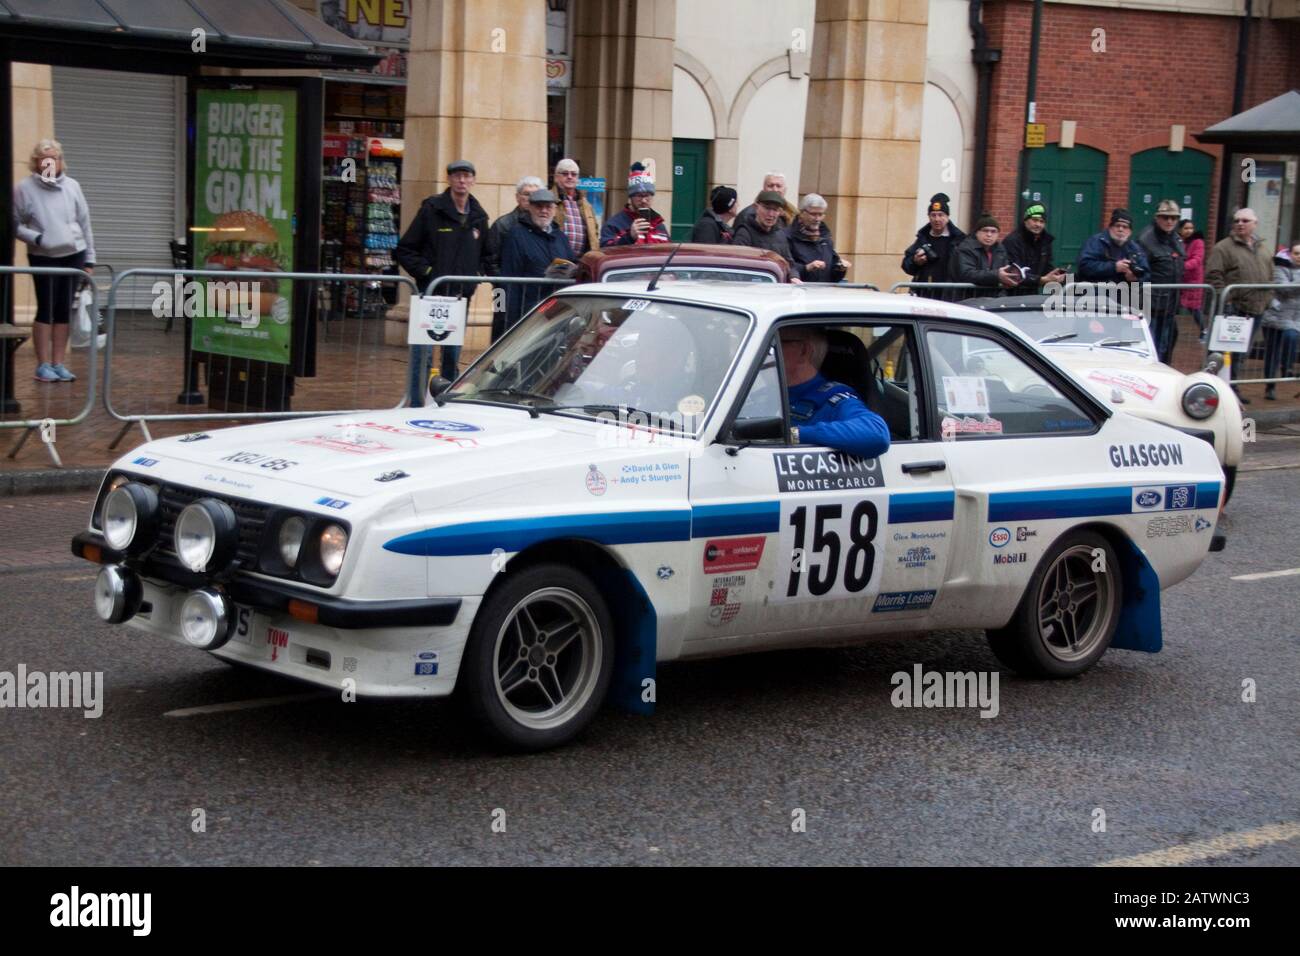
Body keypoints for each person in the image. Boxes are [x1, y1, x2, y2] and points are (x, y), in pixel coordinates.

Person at [396, 159, 489, 402]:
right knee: (424, 353)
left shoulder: (479, 216)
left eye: (467, 176)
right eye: (457, 175)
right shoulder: (431, 209)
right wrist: (427, 272)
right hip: (431, 294)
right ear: (449, 179)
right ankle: (416, 401)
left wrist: (476, 275)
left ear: (473, 180)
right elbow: (405, 249)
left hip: (460, 297)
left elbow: (487, 253)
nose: (462, 181)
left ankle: (446, 403)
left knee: (452, 355)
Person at [12, 138, 96, 383]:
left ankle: (59, 362)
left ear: (61, 161)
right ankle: (42, 364)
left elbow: (85, 223)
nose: (51, 163)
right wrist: (36, 238)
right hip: (43, 255)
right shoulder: (24, 189)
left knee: (63, 309)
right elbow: (13, 223)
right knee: (45, 308)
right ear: (37, 162)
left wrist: (89, 258)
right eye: (45, 159)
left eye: (55, 158)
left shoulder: (72, 186)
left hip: (73, 253)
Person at [780, 326, 890, 458]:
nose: (768, 352)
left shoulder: (835, 399)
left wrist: (793, 434)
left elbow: (877, 433)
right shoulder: (766, 395)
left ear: (804, 351)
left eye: (776, 344)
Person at [1206, 207, 1274, 403]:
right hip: (1234, 309)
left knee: (1242, 352)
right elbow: (1213, 275)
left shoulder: (1262, 248)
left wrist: (1268, 298)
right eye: (1236, 221)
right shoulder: (1223, 247)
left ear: (1255, 224)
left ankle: (1233, 387)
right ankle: (1219, 389)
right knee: (1225, 352)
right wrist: (1225, 298)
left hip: (1257, 308)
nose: (1240, 224)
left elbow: (1270, 275)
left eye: (1245, 221)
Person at [500, 189, 575, 332]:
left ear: (554, 210)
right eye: (539, 206)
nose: (544, 211)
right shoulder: (516, 235)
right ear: (530, 208)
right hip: (528, 311)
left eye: (548, 207)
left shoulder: (561, 237)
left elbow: (571, 263)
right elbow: (509, 279)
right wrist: (508, 317)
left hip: (557, 311)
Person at [485, 175, 543, 341]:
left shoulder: (542, 225)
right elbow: (490, 259)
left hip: (530, 290)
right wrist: (502, 282)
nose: (530, 198)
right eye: (526, 194)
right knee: (500, 323)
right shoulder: (502, 224)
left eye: (534, 194)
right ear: (518, 197)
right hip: (501, 290)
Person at [1136, 199, 1186, 363]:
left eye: (1174, 218)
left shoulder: (1176, 240)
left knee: (1166, 345)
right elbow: (1141, 272)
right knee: (1152, 347)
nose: (1170, 221)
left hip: (1170, 304)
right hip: (1152, 305)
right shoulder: (1146, 239)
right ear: (1157, 218)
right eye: (1165, 217)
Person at [901, 193, 967, 300]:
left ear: (947, 217)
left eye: (941, 215)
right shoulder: (923, 238)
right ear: (929, 217)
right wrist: (915, 261)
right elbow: (906, 265)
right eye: (933, 215)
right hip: (924, 295)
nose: (937, 219)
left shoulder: (959, 240)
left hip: (950, 296)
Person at [1260, 240, 1300, 400]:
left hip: (1294, 317)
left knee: (1292, 336)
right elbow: (1283, 288)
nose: (1299, 257)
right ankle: (1270, 386)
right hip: (1276, 315)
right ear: (1290, 254)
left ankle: (1287, 366)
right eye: (1296, 253)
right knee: (1272, 353)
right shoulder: (1280, 266)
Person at [1000, 202, 1065, 296]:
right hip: (1012, 295)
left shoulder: (1045, 242)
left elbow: (1047, 266)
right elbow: (1014, 272)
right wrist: (1041, 280)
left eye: (1041, 221)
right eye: (1034, 220)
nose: (1038, 224)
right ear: (1025, 221)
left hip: (1032, 294)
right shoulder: (1012, 241)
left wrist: (1056, 275)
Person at [733, 190, 800, 278]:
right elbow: (738, 266)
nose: (771, 214)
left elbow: (789, 264)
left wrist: (794, 277)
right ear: (756, 207)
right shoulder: (744, 233)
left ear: (780, 212)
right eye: (767, 208)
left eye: (775, 210)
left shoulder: (780, 235)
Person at [600, 162, 670, 246]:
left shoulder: (659, 225)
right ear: (630, 197)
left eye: (647, 196)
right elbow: (605, 252)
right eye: (639, 196)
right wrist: (629, 237)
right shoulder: (614, 225)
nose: (644, 200)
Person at [1077, 209, 1150, 289]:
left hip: (1123, 296)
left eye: (1125, 227)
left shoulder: (1134, 248)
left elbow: (1146, 273)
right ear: (1110, 227)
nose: (1120, 229)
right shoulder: (1096, 242)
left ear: (1130, 231)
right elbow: (1084, 266)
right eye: (1117, 225)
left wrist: (1136, 278)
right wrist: (1114, 267)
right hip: (1096, 295)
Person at [951, 213, 1019, 298]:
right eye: (985, 231)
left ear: (998, 234)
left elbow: (1004, 272)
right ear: (977, 233)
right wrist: (997, 275)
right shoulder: (966, 248)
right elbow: (967, 274)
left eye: (993, 231)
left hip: (993, 299)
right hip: (968, 298)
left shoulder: (1000, 250)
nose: (989, 235)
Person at [785, 193, 848, 283]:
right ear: (802, 214)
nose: (817, 219)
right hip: (799, 292)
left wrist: (840, 268)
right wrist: (806, 268)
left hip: (823, 294)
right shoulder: (788, 236)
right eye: (813, 214)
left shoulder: (826, 238)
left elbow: (833, 277)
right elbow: (785, 266)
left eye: (820, 214)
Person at [551, 158, 599, 257]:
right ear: (556, 177)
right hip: (556, 260)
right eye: (565, 173)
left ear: (577, 179)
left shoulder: (586, 205)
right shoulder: (549, 200)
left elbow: (595, 231)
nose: (570, 177)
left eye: (573, 174)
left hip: (582, 262)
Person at [1178, 219, 1207, 340]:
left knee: (1194, 307)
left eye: (1191, 228)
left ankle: (1203, 329)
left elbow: (1197, 259)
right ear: (1180, 230)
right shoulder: (1179, 242)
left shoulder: (1198, 242)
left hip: (1193, 280)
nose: (1189, 231)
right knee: (1178, 303)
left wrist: (1182, 266)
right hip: (1182, 279)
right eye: (1186, 228)